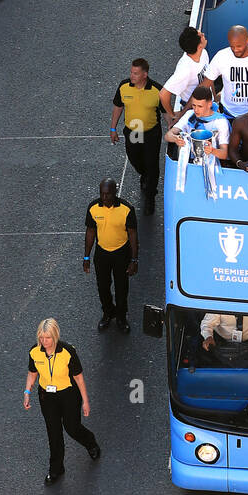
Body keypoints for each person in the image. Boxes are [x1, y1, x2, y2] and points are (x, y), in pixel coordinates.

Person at [24, 318, 100, 485]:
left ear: (55, 336)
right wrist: (27, 391)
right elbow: (32, 373)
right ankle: (56, 468)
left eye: (48, 338)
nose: (44, 342)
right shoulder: (34, 352)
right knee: (53, 432)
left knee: (72, 428)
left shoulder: (67, 352)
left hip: (68, 394)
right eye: (42, 338)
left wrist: (85, 401)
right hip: (47, 396)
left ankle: (90, 442)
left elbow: (79, 378)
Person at [84, 178, 138, 332]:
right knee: (103, 287)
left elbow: (133, 235)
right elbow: (90, 232)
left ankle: (121, 317)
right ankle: (108, 313)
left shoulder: (127, 209)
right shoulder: (93, 208)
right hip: (102, 254)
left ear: (115, 193)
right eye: (102, 194)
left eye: (108, 194)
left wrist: (134, 260)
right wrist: (86, 257)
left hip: (121, 253)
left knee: (122, 288)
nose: (104, 198)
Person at [110, 57, 164, 213]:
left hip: (151, 133)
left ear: (144, 75)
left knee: (152, 164)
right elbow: (118, 107)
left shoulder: (157, 90)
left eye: (135, 73)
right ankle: (145, 175)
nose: (132, 76)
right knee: (134, 157)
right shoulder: (124, 86)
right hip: (134, 130)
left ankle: (150, 196)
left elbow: (166, 112)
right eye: (131, 72)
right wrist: (113, 128)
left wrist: (174, 126)